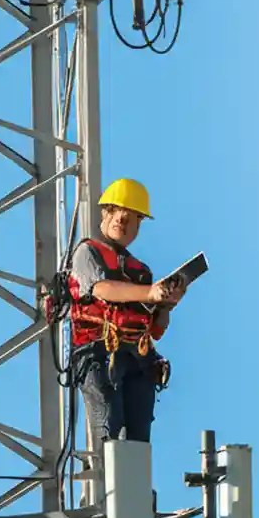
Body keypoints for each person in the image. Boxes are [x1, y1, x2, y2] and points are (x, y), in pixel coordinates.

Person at [67, 178, 186, 446]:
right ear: (104, 214)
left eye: (131, 218)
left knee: (138, 438)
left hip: (138, 360)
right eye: (117, 214)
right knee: (110, 432)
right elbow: (100, 289)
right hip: (98, 354)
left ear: (138, 226)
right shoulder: (87, 252)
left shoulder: (140, 271)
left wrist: (166, 304)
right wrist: (150, 293)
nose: (122, 221)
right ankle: (110, 482)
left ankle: (134, 485)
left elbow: (154, 329)